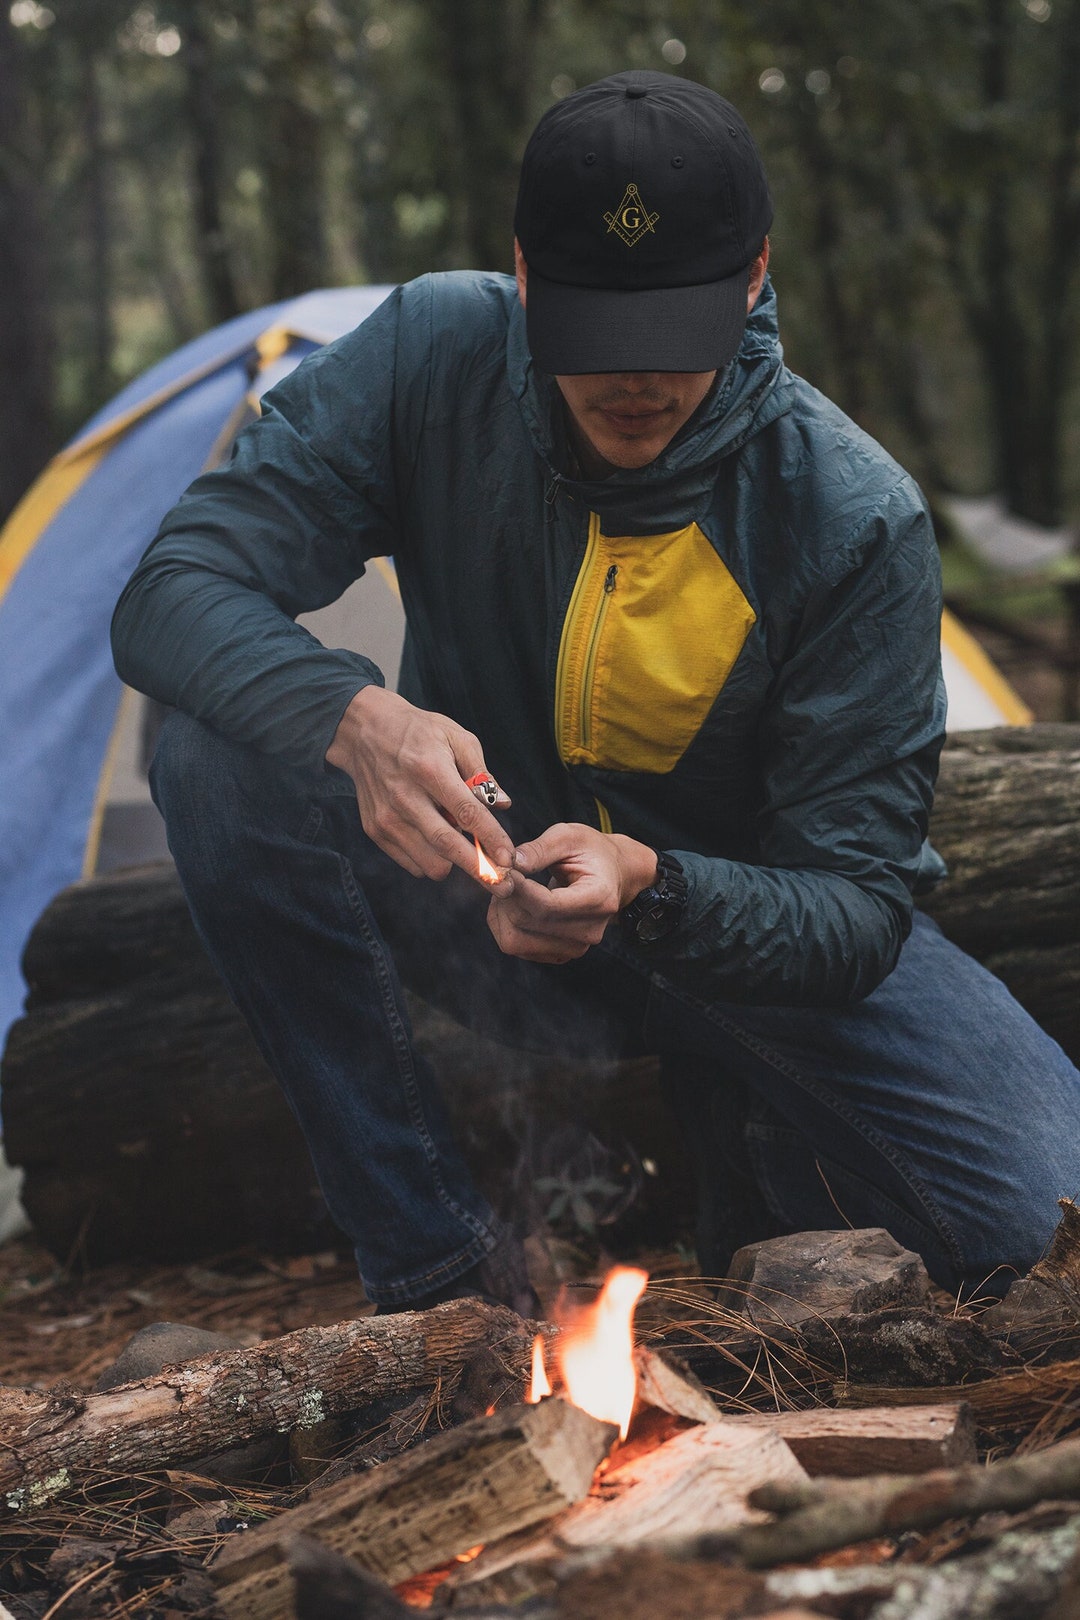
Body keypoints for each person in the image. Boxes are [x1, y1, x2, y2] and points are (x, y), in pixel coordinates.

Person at [112, 70, 1080, 1314]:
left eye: (671, 336)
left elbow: (854, 907)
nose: (634, 384)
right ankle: (437, 1275)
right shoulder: (431, 355)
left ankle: (759, 1144)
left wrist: (655, 886)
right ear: (522, 273)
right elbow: (171, 588)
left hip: (736, 928)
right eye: (594, 336)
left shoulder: (849, 513)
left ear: (754, 275)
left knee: (1040, 1209)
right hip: (479, 889)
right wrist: (353, 719)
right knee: (213, 751)